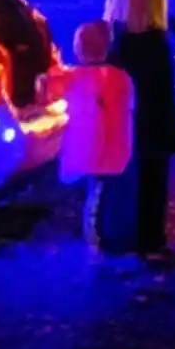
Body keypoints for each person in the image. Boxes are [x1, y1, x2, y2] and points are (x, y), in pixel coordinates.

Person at [104, 0, 175, 262]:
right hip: (153, 113)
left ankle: (127, 234)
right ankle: (150, 238)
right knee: (152, 170)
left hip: (130, 112)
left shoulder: (119, 42)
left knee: (130, 169)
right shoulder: (154, 39)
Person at [38, 22, 136, 252]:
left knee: (92, 199)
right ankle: (104, 233)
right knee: (103, 195)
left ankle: (94, 241)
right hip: (114, 148)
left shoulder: (71, 78)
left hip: (84, 149)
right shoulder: (121, 78)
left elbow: (45, 90)